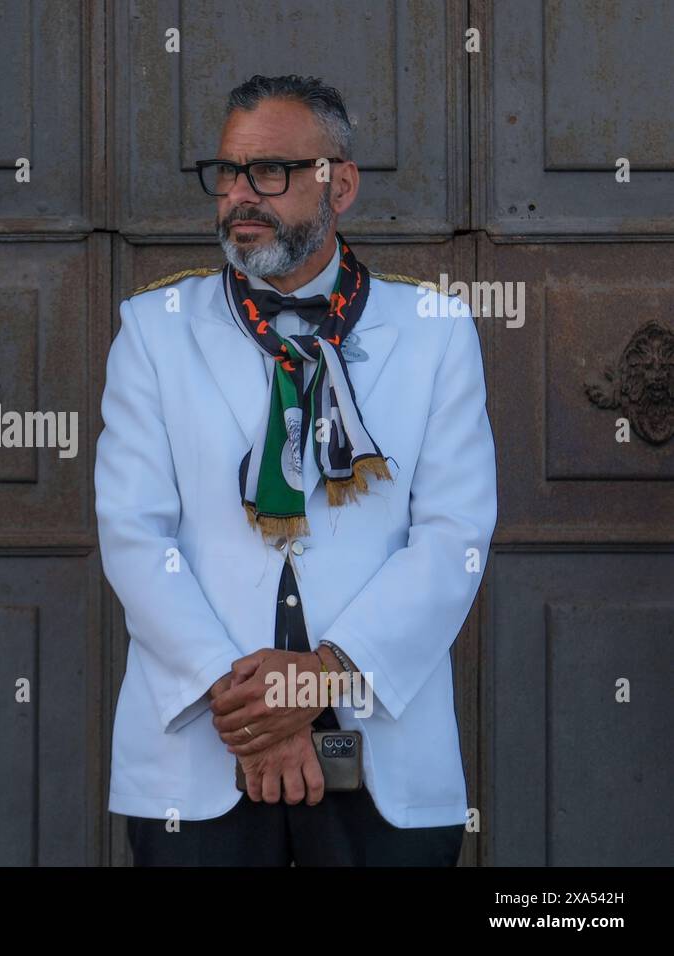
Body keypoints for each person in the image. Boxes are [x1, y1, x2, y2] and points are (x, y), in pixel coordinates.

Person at [96, 74, 497, 866]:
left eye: (270, 172)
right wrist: (251, 707)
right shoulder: (152, 331)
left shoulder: (437, 331)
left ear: (338, 183)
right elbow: (134, 534)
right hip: (202, 751)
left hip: (384, 750)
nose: (241, 196)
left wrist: (322, 676)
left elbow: (454, 536)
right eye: (228, 173)